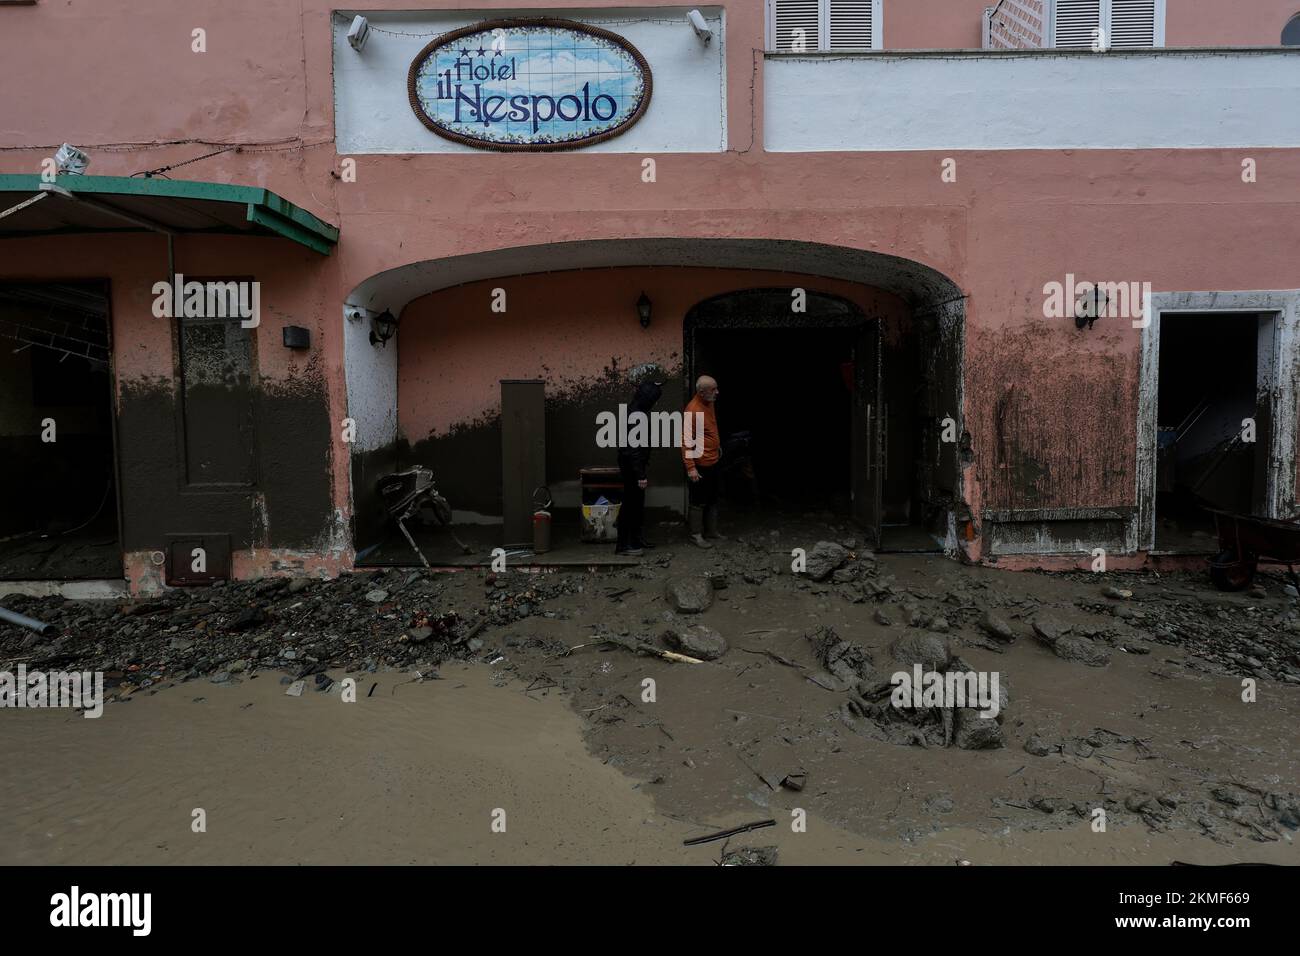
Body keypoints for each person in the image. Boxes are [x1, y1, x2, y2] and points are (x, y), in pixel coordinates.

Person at [615, 378, 663, 556]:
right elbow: (633, 448)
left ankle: (635, 540)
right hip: (632, 466)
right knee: (630, 504)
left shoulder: (636, 409)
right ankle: (623, 546)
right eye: (655, 399)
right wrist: (640, 474)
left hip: (633, 464)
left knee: (636, 504)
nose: (657, 402)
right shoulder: (637, 415)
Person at [682, 374, 723, 548]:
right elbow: (685, 442)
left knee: (713, 497)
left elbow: (710, 426)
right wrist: (691, 468)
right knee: (698, 501)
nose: (717, 393)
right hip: (700, 463)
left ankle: (711, 531)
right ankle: (696, 535)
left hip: (713, 459)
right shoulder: (693, 410)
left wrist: (717, 444)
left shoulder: (709, 402)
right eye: (713, 390)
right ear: (701, 392)